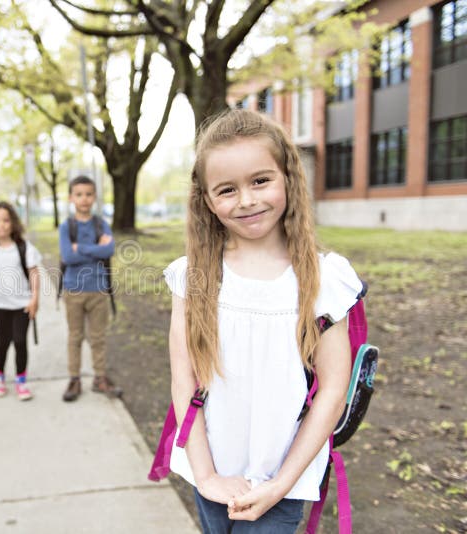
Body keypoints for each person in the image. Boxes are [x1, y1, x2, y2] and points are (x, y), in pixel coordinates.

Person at [163, 109, 363, 532]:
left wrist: (281, 484)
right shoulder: (192, 277)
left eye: (260, 180)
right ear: (206, 200)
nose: (247, 200)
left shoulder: (325, 279)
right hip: (211, 470)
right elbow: (184, 381)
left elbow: (332, 390)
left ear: (287, 177)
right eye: (227, 189)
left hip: (285, 479)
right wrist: (207, 476)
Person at [59, 175, 121, 402]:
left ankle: (100, 377)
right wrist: (95, 248)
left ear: (94, 197)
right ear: (71, 198)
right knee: (75, 336)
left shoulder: (100, 224)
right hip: (73, 291)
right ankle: (74, 379)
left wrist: (81, 248)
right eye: (79, 194)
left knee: (98, 337)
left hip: (98, 289)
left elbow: (109, 251)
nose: (84, 199)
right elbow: (67, 256)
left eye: (88, 194)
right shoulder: (67, 226)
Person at [0, 201, 41, 400]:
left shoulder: (23, 247)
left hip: (22, 304)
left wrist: (35, 298)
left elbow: (34, 273)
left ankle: (21, 380)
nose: (1, 225)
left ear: (13, 223)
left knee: (20, 342)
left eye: (5, 220)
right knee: (3, 342)